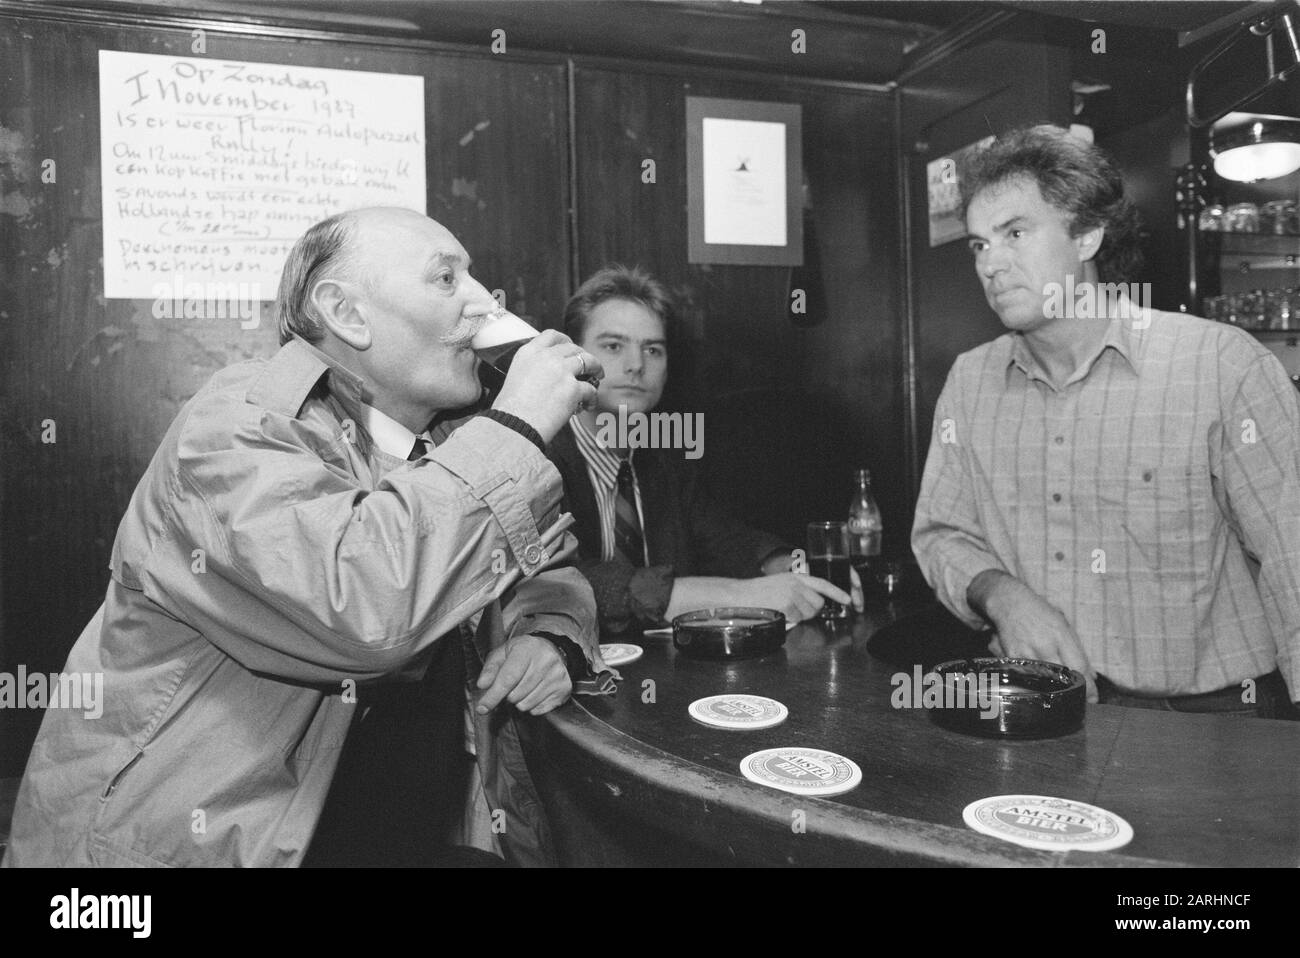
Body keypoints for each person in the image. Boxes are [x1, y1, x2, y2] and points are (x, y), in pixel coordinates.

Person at [3, 207, 608, 868]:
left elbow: (548, 564)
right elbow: (366, 608)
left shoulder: (449, 441)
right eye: (445, 279)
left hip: (393, 836)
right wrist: (517, 426)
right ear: (345, 313)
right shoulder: (235, 431)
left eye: (476, 280)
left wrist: (547, 635)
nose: (484, 307)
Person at [912, 125, 1300, 717]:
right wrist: (1001, 594)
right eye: (979, 245)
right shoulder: (970, 382)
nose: (991, 263)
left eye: (1015, 232)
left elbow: (1293, 559)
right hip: (1033, 708)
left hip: (1209, 727)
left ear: (1088, 234)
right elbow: (942, 533)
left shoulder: (1220, 364)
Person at [548, 265, 857, 633]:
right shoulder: (540, 458)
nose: (636, 366)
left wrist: (793, 569)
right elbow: (567, 582)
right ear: (574, 357)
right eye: (613, 346)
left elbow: (724, 538)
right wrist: (742, 595)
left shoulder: (663, 457)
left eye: (653, 349)